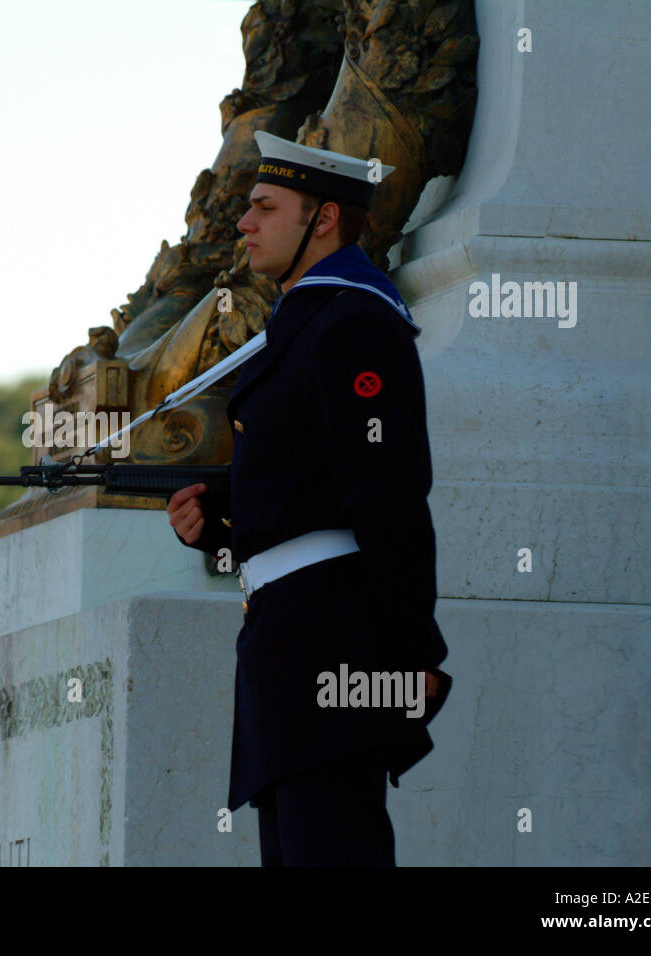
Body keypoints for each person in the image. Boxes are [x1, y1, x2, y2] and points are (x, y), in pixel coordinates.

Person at [167, 131, 452, 866]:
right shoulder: (305, 327)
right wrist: (214, 535)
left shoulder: (353, 323)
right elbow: (295, 513)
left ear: (323, 219)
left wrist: (414, 649)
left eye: (265, 206)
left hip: (336, 645)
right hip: (289, 644)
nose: (244, 223)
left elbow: (387, 497)